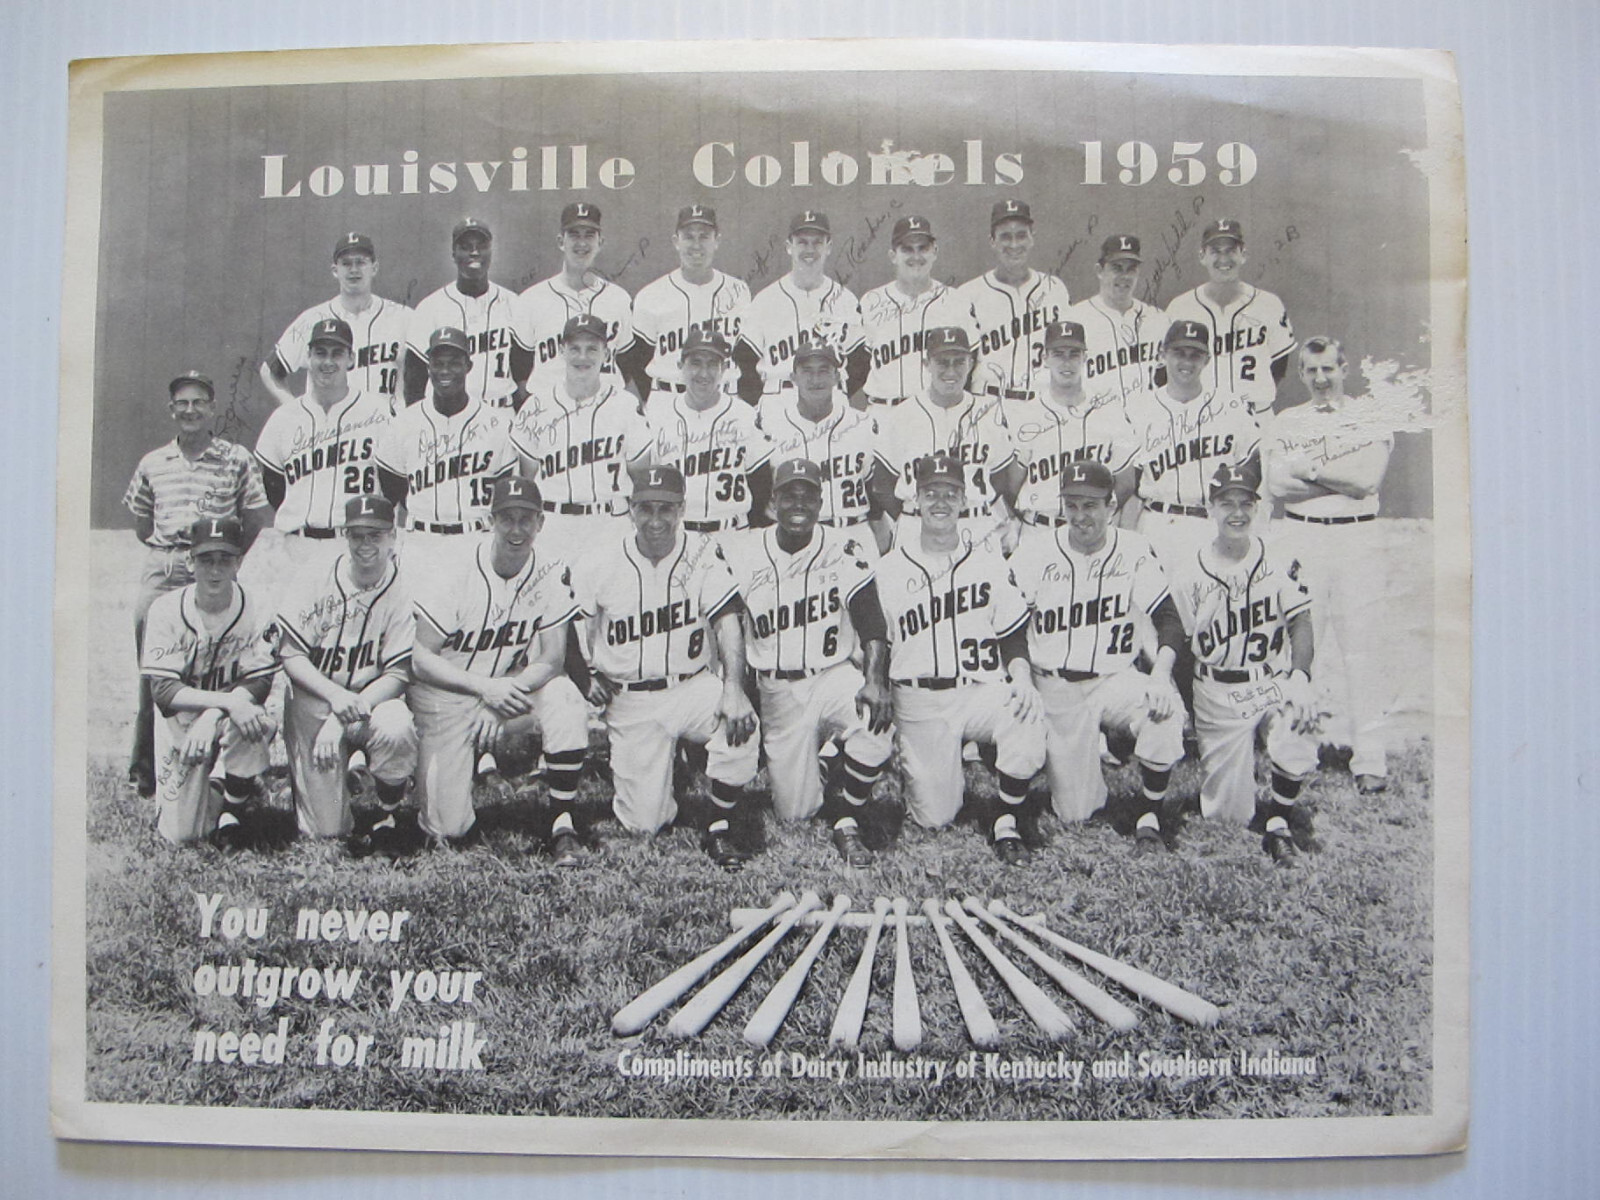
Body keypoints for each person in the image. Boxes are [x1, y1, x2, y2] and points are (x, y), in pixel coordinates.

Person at [571, 465, 761, 869]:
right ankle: (662, 773)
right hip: (632, 699)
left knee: (742, 725)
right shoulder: (600, 558)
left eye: (666, 509)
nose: (656, 520)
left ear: (682, 509)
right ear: (630, 510)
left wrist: (733, 688)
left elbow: (727, 618)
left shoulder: (702, 551)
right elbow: (572, 622)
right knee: (643, 824)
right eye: (646, 509)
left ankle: (718, 825)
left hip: (691, 687)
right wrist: (585, 672)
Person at [873, 453, 1045, 865]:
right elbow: (875, 642)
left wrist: (1021, 677)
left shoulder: (985, 560)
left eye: (950, 494)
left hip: (979, 689)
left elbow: (1012, 632)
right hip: (919, 700)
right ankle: (929, 770)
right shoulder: (889, 569)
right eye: (931, 493)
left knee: (1025, 714)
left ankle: (1006, 819)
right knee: (934, 818)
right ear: (915, 500)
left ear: (965, 502)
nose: (940, 503)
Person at [720, 459, 894, 863]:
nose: (798, 504)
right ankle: (828, 761)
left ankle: (847, 818)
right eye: (789, 495)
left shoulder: (843, 547)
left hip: (831, 675)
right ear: (772, 503)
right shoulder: (745, 551)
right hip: (777, 688)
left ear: (820, 503)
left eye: (808, 495)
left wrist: (874, 679)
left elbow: (871, 620)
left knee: (874, 723)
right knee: (795, 814)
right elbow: (724, 620)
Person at [408, 476, 590, 861]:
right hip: (446, 695)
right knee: (447, 828)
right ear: (490, 520)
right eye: (507, 518)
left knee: (565, 697)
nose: (517, 529)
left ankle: (562, 822)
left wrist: (501, 696)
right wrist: (483, 690)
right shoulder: (455, 570)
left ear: (541, 522)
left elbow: (553, 658)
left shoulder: (547, 571)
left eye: (527, 519)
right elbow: (421, 658)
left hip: (505, 688)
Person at [1010, 461, 1186, 847]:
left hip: (1114, 679)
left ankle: (1149, 815)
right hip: (1057, 686)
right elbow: (1009, 627)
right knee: (1075, 812)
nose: (1080, 515)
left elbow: (1170, 620)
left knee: (1165, 710)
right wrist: (1022, 678)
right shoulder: (1035, 550)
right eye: (1071, 505)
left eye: (1090, 505)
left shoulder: (1134, 548)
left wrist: (1159, 676)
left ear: (1111, 506)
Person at [123, 370, 271, 797]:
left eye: (198, 402)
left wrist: (225, 557)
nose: (190, 410)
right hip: (166, 568)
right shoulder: (154, 462)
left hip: (211, 570)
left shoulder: (236, 458)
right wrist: (173, 553)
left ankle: (231, 767)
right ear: (172, 410)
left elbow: (257, 516)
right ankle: (148, 771)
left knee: (221, 667)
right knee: (156, 671)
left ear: (212, 408)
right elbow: (141, 522)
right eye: (182, 403)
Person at [1169, 462, 1321, 864]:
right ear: (1209, 510)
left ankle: (1279, 823)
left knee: (1300, 727)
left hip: (1270, 679)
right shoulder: (1189, 572)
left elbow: (1301, 619)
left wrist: (1300, 678)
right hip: (1217, 690)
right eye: (1226, 503)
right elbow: (1180, 642)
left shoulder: (1278, 557)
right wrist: (1186, 704)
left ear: (1257, 508)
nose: (1236, 512)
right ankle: (1240, 777)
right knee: (1228, 817)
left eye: (1245, 503)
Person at [1264, 336, 1394, 794]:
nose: (1321, 380)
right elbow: (1278, 486)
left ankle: (1370, 758)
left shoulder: (1369, 416)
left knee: (1362, 648)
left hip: (1357, 536)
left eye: (1329, 370)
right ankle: (1298, 747)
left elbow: (1367, 480)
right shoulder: (1288, 421)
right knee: (1302, 645)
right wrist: (1339, 484)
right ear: (1301, 375)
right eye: (1312, 372)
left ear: (1345, 369)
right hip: (1303, 537)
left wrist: (1312, 471)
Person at [272, 495, 418, 852]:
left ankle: (387, 811)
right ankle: (333, 776)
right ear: (344, 535)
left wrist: (345, 714)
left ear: (392, 536)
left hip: (372, 700)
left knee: (398, 727)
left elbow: (398, 672)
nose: (366, 545)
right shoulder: (314, 577)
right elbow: (291, 654)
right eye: (357, 535)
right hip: (316, 698)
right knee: (326, 830)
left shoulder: (403, 586)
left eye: (376, 535)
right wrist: (336, 700)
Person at [139, 516, 277, 847]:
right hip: (182, 719)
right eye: (206, 559)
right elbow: (163, 691)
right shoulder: (165, 610)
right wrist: (226, 702)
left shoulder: (257, 607)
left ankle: (234, 804)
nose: (215, 570)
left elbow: (259, 682)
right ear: (190, 561)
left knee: (253, 716)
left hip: (230, 715)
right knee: (183, 835)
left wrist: (218, 712)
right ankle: (218, 781)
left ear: (239, 562)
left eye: (224, 560)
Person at [254, 316, 392, 579]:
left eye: (337, 353)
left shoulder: (379, 413)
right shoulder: (285, 418)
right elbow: (274, 486)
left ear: (351, 359)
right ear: (308, 358)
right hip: (296, 548)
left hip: (353, 545)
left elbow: (393, 483)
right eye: (320, 353)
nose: (328, 362)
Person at [375, 325, 516, 572]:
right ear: (428, 367)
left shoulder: (497, 424)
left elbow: (505, 496)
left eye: (454, 363)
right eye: (438, 363)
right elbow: (391, 493)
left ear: (468, 366)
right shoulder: (404, 424)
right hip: (422, 543)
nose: (445, 370)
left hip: (478, 540)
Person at [510, 313, 648, 565]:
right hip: (553, 525)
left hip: (610, 523)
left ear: (606, 354)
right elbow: (525, 480)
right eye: (575, 349)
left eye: (592, 349)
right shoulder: (536, 406)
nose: (582, 357)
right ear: (562, 351)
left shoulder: (626, 406)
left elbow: (641, 477)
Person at [868, 326, 1018, 555]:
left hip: (975, 524)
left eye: (959, 362)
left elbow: (1000, 479)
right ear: (926, 364)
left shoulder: (989, 411)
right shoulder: (901, 415)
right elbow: (883, 485)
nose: (951, 370)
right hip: (917, 525)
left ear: (970, 363)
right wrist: (915, 514)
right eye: (942, 362)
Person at [1124, 319, 1261, 568]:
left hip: (1212, 523)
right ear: (1162, 355)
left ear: (1207, 359)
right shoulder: (1137, 409)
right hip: (1157, 523)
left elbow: (1251, 473)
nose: (1187, 362)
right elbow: (1128, 486)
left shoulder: (1231, 408)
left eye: (1195, 355)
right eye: (1178, 353)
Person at [1001, 320, 1141, 530]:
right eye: (1058, 354)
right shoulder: (1025, 415)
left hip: (1092, 531)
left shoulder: (1109, 410)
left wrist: (1100, 515)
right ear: (1045, 358)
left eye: (1074, 354)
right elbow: (1011, 487)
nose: (1066, 362)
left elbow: (1126, 482)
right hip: (1040, 528)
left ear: (1085, 357)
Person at [634, 326, 774, 534]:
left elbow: (760, 482)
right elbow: (643, 481)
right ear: (681, 365)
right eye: (695, 363)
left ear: (724, 369)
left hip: (732, 531)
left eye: (712, 365)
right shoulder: (658, 417)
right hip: (678, 535)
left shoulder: (743, 414)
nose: (704, 373)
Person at [260, 231, 412, 412]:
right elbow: (269, 371)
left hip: (388, 429)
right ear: (335, 270)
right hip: (333, 432)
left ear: (374, 268)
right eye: (346, 263)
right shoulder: (312, 319)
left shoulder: (404, 317)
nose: (354, 270)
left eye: (361, 262)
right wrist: (295, 412)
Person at [1162, 219, 1297, 420]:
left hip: (1256, 416)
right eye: (1215, 251)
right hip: (1200, 417)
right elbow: (1165, 369)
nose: (1223, 259)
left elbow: (1279, 364)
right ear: (1202, 256)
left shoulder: (1269, 304)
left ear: (1243, 255)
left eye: (1231, 250)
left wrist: (1256, 393)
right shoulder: (1180, 307)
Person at [618, 203, 750, 404]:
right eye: (688, 236)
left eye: (704, 236)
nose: (696, 245)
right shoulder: (651, 295)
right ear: (676, 241)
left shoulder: (738, 291)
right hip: (668, 398)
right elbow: (638, 363)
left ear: (717, 241)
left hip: (725, 399)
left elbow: (746, 357)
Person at [735, 211, 865, 411]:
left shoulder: (845, 299)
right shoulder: (765, 300)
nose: (810, 249)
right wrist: (761, 404)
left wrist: (839, 391)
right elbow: (743, 360)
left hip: (830, 403)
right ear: (789, 246)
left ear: (828, 247)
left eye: (817, 242)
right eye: (802, 242)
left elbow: (861, 361)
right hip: (778, 399)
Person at [950, 200, 1073, 406]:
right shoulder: (970, 294)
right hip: (988, 403)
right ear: (992, 241)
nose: (1014, 245)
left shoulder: (1055, 289)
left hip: (1042, 403)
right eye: (1005, 237)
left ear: (1032, 238)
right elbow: (958, 365)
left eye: (1021, 235)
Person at [403, 218, 532, 409]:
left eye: (482, 246)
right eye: (465, 246)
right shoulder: (430, 308)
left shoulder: (513, 303)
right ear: (453, 254)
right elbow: (414, 383)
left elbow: (523, 375)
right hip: (450, 415)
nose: (474, 252)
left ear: (491, 252)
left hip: (502, 412)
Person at [756, 341, 879, 533]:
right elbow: (760, 493)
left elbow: (875, 492)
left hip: (853, 529)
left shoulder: (862, 423)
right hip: (794, 535)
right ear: (793, 378)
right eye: (807, 371)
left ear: (836, 377)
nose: (816, 379)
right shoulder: (770, 427)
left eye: (823, 370)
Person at [520, 202, 635, 393]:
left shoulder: (619, 299)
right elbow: (519, 370)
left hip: (605, 409)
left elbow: (628, 366)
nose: (582, 243)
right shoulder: (531, 300)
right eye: (574, 234)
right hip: (550, 410)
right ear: (560, 241)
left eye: (589, 235)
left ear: (600, 242)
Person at [853, 215, 958, 408]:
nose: (916, 256)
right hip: (884, 411)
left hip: (934, 412)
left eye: (923, 248)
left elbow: (969, 365)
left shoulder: (954, 300)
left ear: (935, 252)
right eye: (907, 249)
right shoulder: (871, 302)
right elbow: (855, 369)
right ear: (893, 256)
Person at [1064, 233, 1164, 409]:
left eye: (1131, 269)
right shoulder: (1075, 319)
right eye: (1117, 268)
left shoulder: (1158, 319)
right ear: (1099, 271)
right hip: (1096, 423)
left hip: (1148, 424)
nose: (1124, 276)